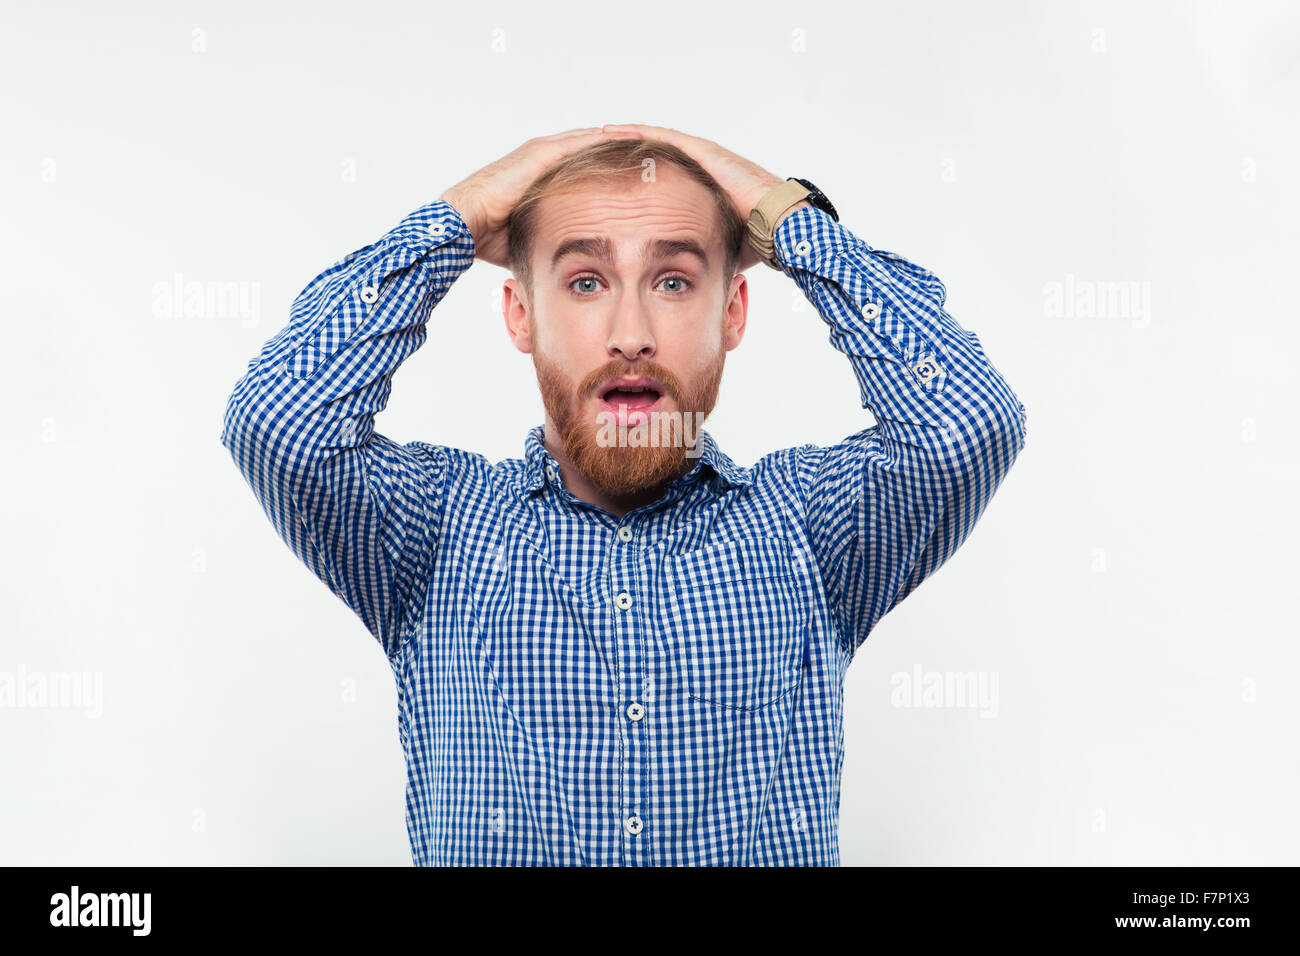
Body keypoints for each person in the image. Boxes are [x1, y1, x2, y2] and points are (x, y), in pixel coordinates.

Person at [219, 124, 1028, 865]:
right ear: (519, 314)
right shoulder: (434, 529)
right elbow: (278, 422)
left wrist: (786, 218)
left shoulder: (811, 530)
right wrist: (457, 220)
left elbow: (970, 423)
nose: (631, 332)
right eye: (584, 282)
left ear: (733, 312)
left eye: (674, 281)